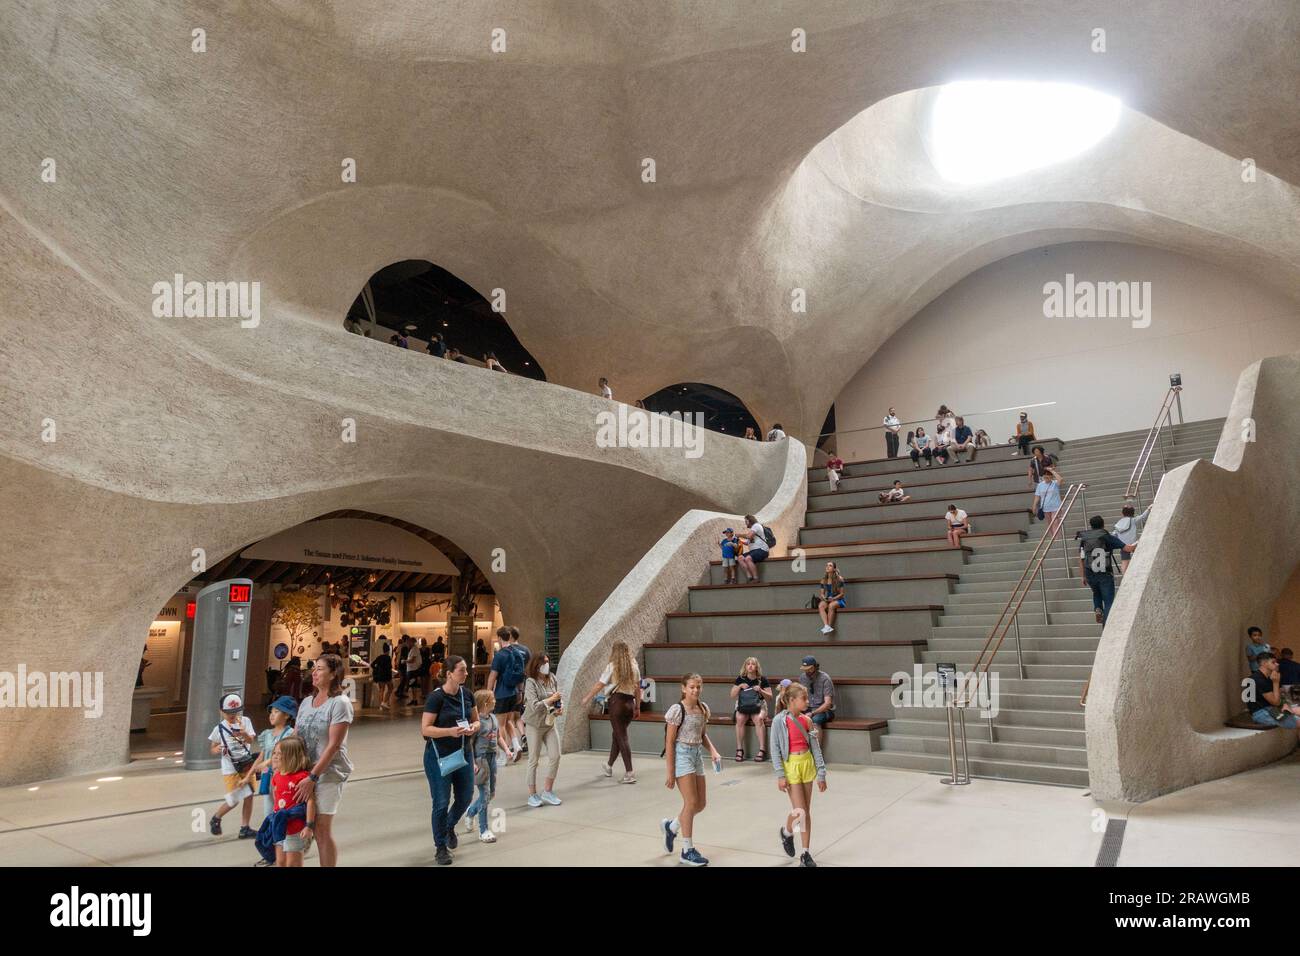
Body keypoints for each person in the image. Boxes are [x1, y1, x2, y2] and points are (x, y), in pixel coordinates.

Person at [292, 654, 354, 867]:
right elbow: (296, 736)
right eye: (314, 668)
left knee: (321, 829)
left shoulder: (340, 703)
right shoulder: (307, 702)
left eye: (319, 668)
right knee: (299, 823)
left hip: (328, 774)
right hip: (303, 772)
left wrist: (313, 777)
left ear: (334, 673)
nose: (314, 673)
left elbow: (334, 745)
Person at [421, 655, 478, 865]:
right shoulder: (436, 698)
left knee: (465, 796)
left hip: (463, 752)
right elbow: (425, 729)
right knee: (441, 802)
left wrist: (474, 727)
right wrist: (449, 732)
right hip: (438, 756)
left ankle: (449, 826)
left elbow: (477, 721)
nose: (466, 673)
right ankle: (441, 847)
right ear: (449, 674)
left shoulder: (467, 695)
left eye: (465, 669)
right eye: (461, 670)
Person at [661, 674, 720, 867]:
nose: (695, 690)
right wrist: (670, 771)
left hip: (696, 755)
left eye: (698, 687)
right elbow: (669, 742)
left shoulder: (703, 709)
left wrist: (713, 750)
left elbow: (702, 735)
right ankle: (687, 850)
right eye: (692, 687)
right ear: (684, 688)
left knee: (700, 804)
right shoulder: (677, 710)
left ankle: (671, 827)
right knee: (691, 802)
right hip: (682, 755)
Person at [770, 682, 827, 868]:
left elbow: (815, 748)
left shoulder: (807, 720)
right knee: (800, 811)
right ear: (792, 700)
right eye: (804, 698)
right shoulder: (779, 721)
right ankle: (787, 832)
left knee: (805, 812)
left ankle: (805, 853)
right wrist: (780, 774)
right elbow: (775, 749)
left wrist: (821, 773)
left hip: (807, 765)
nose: (808, 701)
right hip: (791, 767)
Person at [581, 640, 641, 782]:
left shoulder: (612, 666)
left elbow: (599, 684)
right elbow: (638, 688)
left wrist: (587, 698)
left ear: (614, 651)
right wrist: (638, 706)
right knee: (617, 735)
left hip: (617, 703)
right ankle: (609, 766)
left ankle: (629, 773)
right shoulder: (634, 666)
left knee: (622, 737)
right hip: (630, 703)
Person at [207, 693, 258, 839]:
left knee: (249, 795)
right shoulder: (219, 728)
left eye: (234, 712)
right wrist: (216, 750)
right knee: (234, 799)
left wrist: (244, 734)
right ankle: (216, 817)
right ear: (221, 712)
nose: (232, 715)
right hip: (230, 768)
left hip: (247, 765)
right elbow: (212, 748)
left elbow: (251, 739)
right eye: (228, 712)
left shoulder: (245, 722)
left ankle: (245, 827)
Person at [1075, 516, 1135, 625]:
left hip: (1089, 572)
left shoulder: (1085, 538)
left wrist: (1083, 576)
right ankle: (1106, 627)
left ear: (1091, 526)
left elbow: (1081, 558)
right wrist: (1140, 542)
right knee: (1108, 602)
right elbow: (1128, 549)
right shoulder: (1105, 536)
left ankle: (1097, 608)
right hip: (1104, 573)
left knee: (1096, 593)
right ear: (1103, 525)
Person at [522, 652, 563, 808]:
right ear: (536, 665)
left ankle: (548, 790)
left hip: (550, 723)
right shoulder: (531, 682)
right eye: (543, 663)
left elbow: (558, 698)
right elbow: (534, 706)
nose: (547, 665)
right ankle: (532, 794)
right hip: (534, 724)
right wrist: (551, 700)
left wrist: (559, 707)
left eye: (548, 662)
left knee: (555, 755)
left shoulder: (552, 678)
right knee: (533, 759)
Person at [268, 736, 315, 867]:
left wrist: (309, 826)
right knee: (281, 862)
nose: (275, 756)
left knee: (293, 863)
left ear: (291, 757)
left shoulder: (301, 778)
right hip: (280, 826)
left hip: (295, 828)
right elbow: (276, 796)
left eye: (279, 754)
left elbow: (310, 801)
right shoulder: (277, 775)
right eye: (274, 753)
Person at [250, 696, 297, 821]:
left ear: (286, 715)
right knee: (268, 812)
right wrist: (249, 774)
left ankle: (282, 838)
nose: (272, 715)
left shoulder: (290, 733)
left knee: (281, 808)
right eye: (271, 712)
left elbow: (282, 754)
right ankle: (271, 837)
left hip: (283, 777)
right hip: (268, 776)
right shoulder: (266, 734)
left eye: (276, 712)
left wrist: (266, 762)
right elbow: (261, 755)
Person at [462, 689, 501, 843]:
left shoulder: (493, 718)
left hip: (492, 758)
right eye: (493, 699)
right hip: (481, 759)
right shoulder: (477, 723)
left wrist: (507, 750)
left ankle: (471, 812)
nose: (495, 701)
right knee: (484, 795)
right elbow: (470, 743)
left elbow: (499, 736)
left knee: (491, 793)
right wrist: (472, 762)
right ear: (485, 703)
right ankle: (484, 829)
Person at [488, 625, 525, 763]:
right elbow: (521, 675)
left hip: (502, 694)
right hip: (514, 693)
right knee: (509, 721)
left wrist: (488, 692)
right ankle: (516, 745)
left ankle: (505, 754)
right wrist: (520, 692)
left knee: (500, 724)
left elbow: (493, 676)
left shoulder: (500, 655)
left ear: (499, 638)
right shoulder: (517, 653)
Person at [1245, 653, 1300, 738]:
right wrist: (1276, 683)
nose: (1277, 664)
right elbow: (1275, 702)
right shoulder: (1258, 679)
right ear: (1264, 664)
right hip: (1261, 714)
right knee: (1298, 721)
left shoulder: (1267, 677)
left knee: (1297, 710)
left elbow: (1279, 697)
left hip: (1271, 709)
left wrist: (1285, 704)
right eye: (1273, 662)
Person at [731, 657, 772, 762]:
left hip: (759, 705)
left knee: (758, 719)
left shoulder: (762, 679)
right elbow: (732, 695)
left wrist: (761, 690)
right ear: (745, 666)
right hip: (744, 705)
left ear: (756, 666)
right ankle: (739, 749)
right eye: (748, 664)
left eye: (752, 664)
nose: (750, 666)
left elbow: (770, 697)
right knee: (739, 718)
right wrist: (739, 686)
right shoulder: (741, 678)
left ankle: (762, 750)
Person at [798, 657, 835, 736]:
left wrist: (812, 713)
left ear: (815, 667)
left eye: (809, 669)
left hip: (824, 710)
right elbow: (800, 697)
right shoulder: (802, 678)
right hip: (808, 708)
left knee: (815, 720)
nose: (807, 671)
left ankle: (817, 748)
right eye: (805, 669)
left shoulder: (825, 678)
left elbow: (827, 703)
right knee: (793, 717)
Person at [1112, 504, 1151, 574]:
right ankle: (1141, 572)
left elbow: (1114, 534)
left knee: (1124, 562)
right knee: (1139, 558)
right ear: (1133, 513)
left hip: (1123, 546)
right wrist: (1148, 509)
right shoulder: (1133, 520)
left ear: (1122, 513)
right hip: (1134, 544)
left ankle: (1124, 577)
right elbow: (1143, 517)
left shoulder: (1118, 524)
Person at [736, 514, 770, 583]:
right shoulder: (753, 530)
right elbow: (747, 542)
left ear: (749, 520)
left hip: (762, 550)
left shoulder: (756, 526)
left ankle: (756, 578)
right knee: (740, 558)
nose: (745, 523)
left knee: (748, 558)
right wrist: (739, 541)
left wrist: (739, 535)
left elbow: (748, 536)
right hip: (753, 551)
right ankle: (750, 577)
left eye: (746, 521)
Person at [817, 561, 846, 634]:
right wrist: (824, 598)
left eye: (830, 565)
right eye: (827, 565)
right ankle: (826, 626)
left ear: (834, 569)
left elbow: (842, 594)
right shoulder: (823, 580)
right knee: (821, 605)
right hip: (829, 599)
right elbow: (822, 594)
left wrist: (833, 599)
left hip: (839, 600)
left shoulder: (839, 579)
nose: (827, 567)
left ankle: (829, 626)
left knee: (831, 605)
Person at [1034, 466, 1064, 534]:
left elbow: (1061, 480)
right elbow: (1037, 496)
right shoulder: (1040, 485)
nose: (1046, 477)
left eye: (1048, 476)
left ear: (1051, 476)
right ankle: (1052, 536)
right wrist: (1034, 506)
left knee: (1055, 521)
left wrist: (1052, 471)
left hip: (1056, 506)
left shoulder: (1055, 483)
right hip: (1045, 507)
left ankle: (1056, 537)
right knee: (1049, 523)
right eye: (1045, 476)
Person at [370, 643, 393, 710]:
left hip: (380, 676)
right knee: (390, 688)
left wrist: (377, 668)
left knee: (381, 690)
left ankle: (381, 705)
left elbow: (372, 664)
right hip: (387, 676)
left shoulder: (379, 657)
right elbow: (389, 667)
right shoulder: (388, 658)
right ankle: (384, 702)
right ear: (388, 651)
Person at [405, 638, 424, 706]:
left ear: (412, 642)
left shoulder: (414, 649)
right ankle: (413, 699)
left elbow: (412, 660)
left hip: (413, 670)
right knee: (412, 685)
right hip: (411, 669)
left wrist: (405, 661)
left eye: (408, 642)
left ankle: (415, 700)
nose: (407, 644)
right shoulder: (413, 649)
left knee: (414, 685)